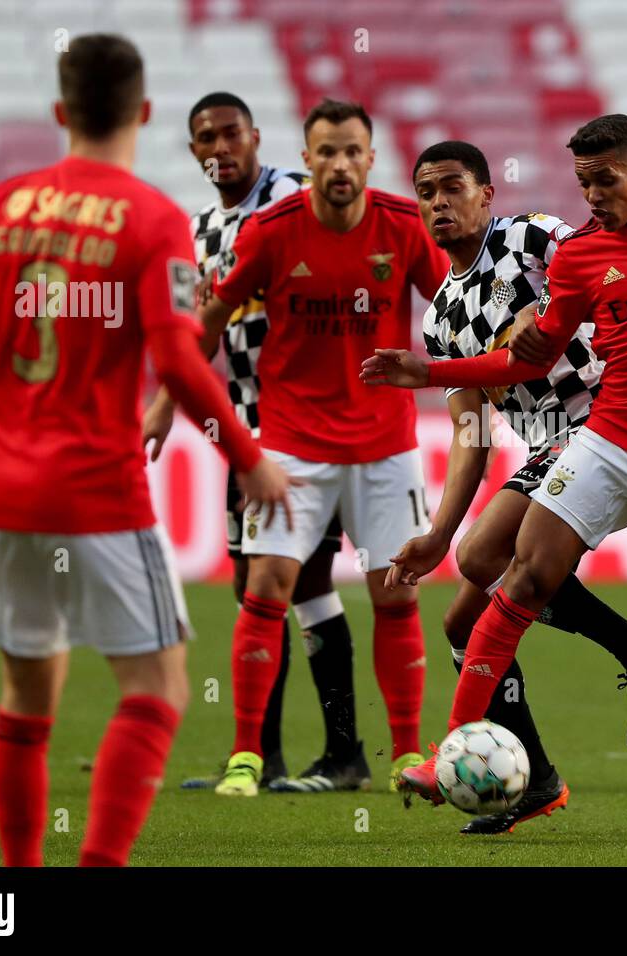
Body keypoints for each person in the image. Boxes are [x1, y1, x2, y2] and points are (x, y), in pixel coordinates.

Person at [0, 34, 291, 865]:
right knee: (158, 690)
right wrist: (245, 455)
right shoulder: (150, 219)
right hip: (101, 494)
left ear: (59, 113)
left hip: (7, 493)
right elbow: (179, 359)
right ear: (144, 114)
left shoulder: (4, 204)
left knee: (26, 702)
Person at [364, 115, 627, 845]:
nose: (592, 195)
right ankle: (477, 759)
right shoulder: (459, 308)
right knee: (504, 581)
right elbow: (501, 394)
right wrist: (430, 376)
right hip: (606, 442)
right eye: (584, 182)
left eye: (605, 179)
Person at [200, 99, 450, 797]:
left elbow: (453, 305)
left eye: (352, 152)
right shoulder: (271, 229)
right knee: (266, 591)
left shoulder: (402, 225)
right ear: (306, 159)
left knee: (394, 594)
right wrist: (170, 396)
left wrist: (488, 373)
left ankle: (405, 754)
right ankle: (247, 757)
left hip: (385, 447)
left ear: (371, 158)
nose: (340, 165)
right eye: (326, 153)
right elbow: (212, 316)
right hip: (292, 448)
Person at [144, 91, 365, 793]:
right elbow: (188, 335)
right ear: (193, 151)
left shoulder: (303, 201)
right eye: (205, 137)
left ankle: (334, 754)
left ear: (256, 136)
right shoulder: (197, 231)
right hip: (242, 429)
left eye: (231, 133)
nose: (220, 147)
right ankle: (275, 755)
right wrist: (161, 405)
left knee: (296, 581)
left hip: (310, 423)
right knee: (260, 585)